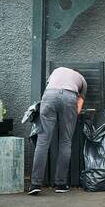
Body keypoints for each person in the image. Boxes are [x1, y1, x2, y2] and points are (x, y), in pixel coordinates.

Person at [29, 66, 85, 195]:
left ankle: (35, 184)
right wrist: (69, 117)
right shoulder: (82, 80)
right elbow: (78, 107)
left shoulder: (57, 70)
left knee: (42, 142)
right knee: (65, 142)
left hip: (49, 96)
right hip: (69, 98)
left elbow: (50, 89)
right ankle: (61, 184)